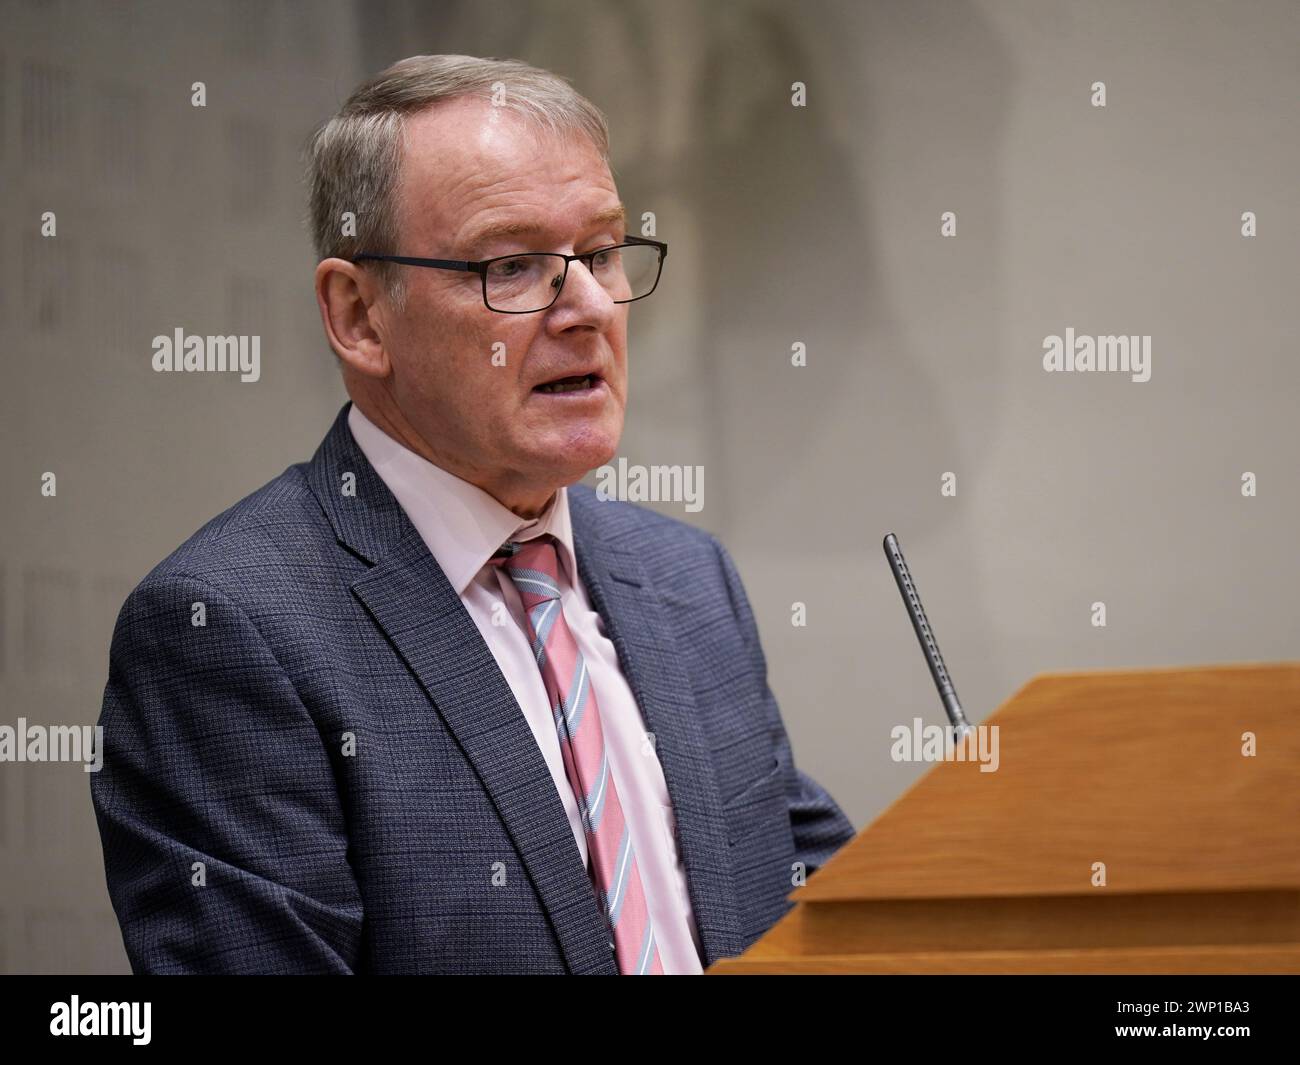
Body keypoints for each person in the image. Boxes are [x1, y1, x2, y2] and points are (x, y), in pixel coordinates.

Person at [90, 54, 854, 975]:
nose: (586, 308)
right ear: (360, 315)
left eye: (602, 252)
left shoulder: (689, 580)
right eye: (513, 265)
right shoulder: (228, 630)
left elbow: (834, 907)